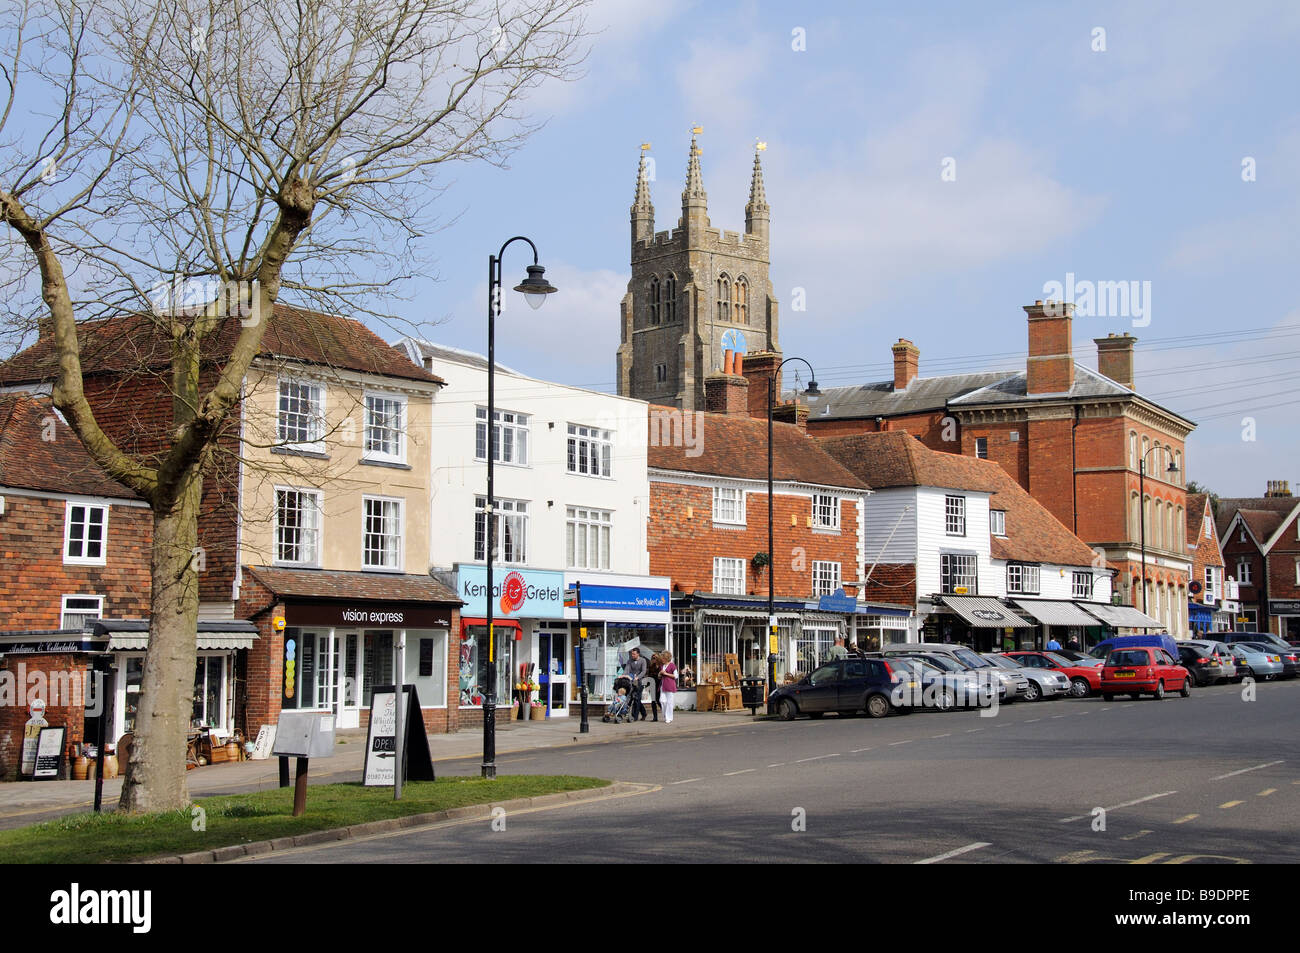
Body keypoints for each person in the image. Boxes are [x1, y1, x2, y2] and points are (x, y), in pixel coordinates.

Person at [626, 647, 648, 722]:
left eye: (634, 654)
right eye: (632, 654)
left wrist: (638, 677)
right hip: (632, 682)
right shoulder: (629, 661)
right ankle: (644, 713)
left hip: (640, 682)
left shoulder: (643, 660)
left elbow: (643, 671)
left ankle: (634, 716)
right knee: (634, 698)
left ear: (638, 654)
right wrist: (623, 675)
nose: (632, 655)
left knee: (637, 698)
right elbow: (627, 670)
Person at [659, 651, 679, 724]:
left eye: (663, 658)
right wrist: (660, 674)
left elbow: (676, 676)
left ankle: (669, 717)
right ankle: (665, 714)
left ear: (666, 658)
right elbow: (660, 675)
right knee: (662, 701)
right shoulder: (662, 666)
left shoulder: (672, 665)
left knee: (669, 702)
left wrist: (666, 673)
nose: (662, 659)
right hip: (663, 685)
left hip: (670, 685)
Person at [647, 651, 664, 722]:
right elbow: (649, 675)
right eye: (653, 658)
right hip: (652, 684)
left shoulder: (661, 666)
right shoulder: (651, 666)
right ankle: (655, 717)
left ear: (658, 658)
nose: (654, 659)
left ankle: (666, 712)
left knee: (659, 700)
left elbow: (662, 675)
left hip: (659, 684)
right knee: (653, 701)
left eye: (655, 658)